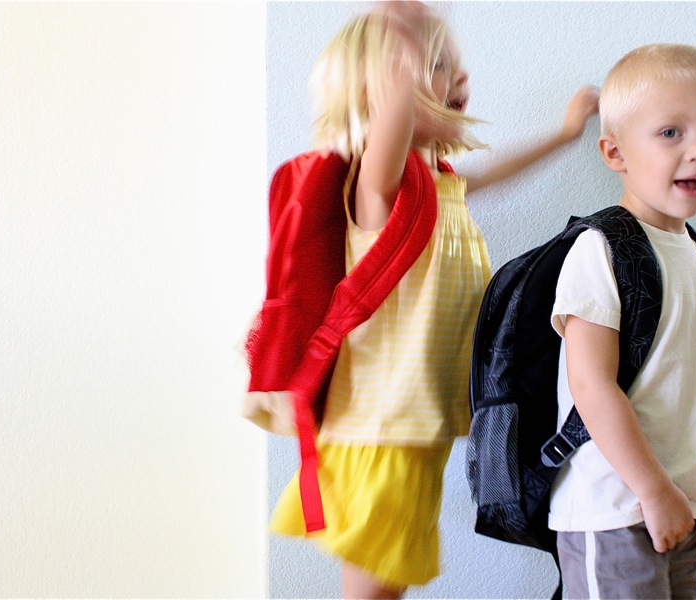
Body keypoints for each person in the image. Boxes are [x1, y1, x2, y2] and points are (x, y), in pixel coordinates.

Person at [268, 2, 598, 598]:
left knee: (386, 584)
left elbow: (502, 171)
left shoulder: (440, 183)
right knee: (373, 588)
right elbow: (390, 134)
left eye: (452, 64)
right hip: (378, 424)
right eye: (437, 66)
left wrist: (566, 133)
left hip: (412, 424)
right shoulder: (379, 191)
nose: (459, 77)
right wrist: (410, 52)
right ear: (385, 88)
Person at [548, 43, 696, 599]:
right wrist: (653, 491)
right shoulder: (599, 248)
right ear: (615, 153)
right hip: (613, 508)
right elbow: (590, 385)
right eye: (670, 133)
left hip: (684, 506)